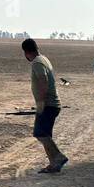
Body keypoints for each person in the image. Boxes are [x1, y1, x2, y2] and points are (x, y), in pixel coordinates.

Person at [22, 38, 68, 174]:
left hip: (48, 104)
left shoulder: (37, 62)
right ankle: (54, 164)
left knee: (40, 133)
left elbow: (43, 81)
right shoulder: (43, 59)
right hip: (51, 104)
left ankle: (58, 157)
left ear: (26, 52)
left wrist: (41, 102)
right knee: (45, 134)